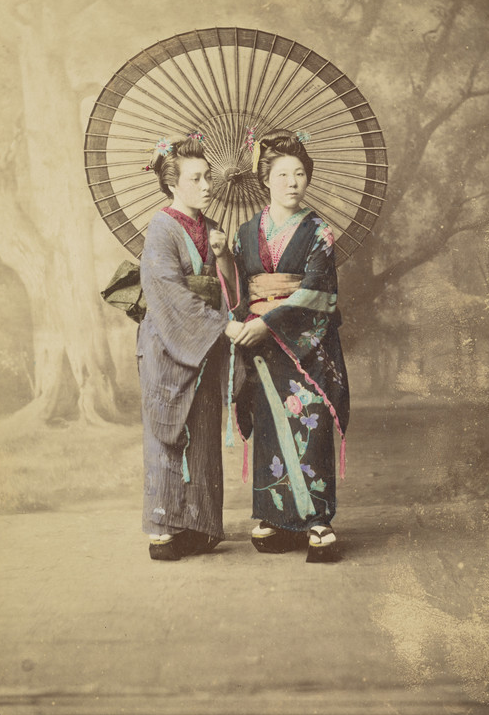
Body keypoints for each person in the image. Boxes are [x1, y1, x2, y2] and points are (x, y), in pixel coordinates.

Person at [230, 129, 350, 562]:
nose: (292, 182)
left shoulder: (320, 231)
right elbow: (243, 291)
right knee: (269, 426)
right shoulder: (245, 233)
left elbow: (319, 291)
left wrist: (267, 322)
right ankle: (273, 517)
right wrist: (242, 322)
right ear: (265, 180)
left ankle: (318, 520)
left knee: (310, 421)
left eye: (299, 173)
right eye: (282, 174)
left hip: (306, 344)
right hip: (261, 346)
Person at [137, 135, 242, 561]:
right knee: (166, 431)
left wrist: (223, 257)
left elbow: (230, 290)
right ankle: (163, 528)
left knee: (201, 433)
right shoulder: (161, 228)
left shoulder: (211, 229)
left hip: (205, 342)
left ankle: (199, 525)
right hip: (169, 342)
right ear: (172, 185)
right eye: (196, 178)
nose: (207, 186)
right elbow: (166, 292)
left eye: (207, 177)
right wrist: (222, 327)